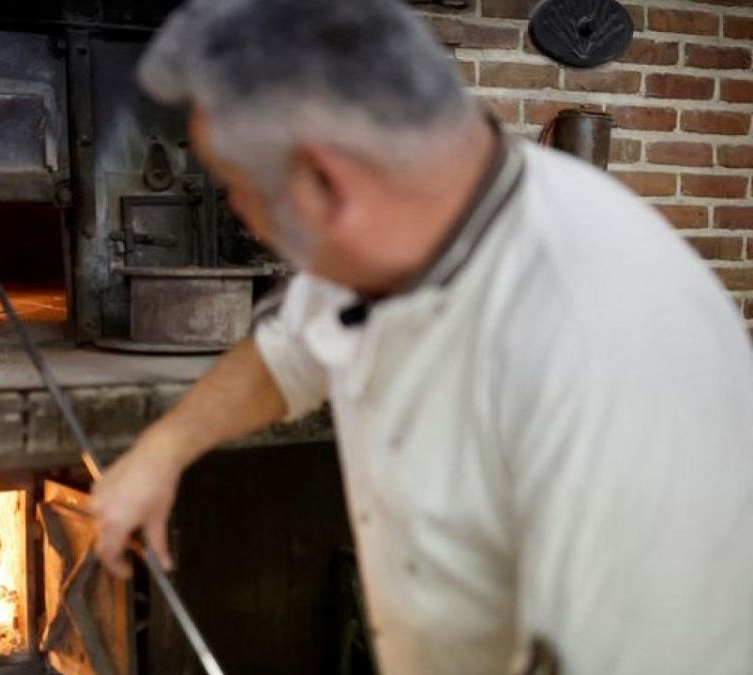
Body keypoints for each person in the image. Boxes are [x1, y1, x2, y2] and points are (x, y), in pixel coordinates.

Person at [88, 0, 753, 673]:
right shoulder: (398, 234)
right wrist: (162, 449)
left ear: (328, 181)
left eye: (236, 187)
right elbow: (286, 351)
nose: (235, 208)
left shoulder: (598, 347)